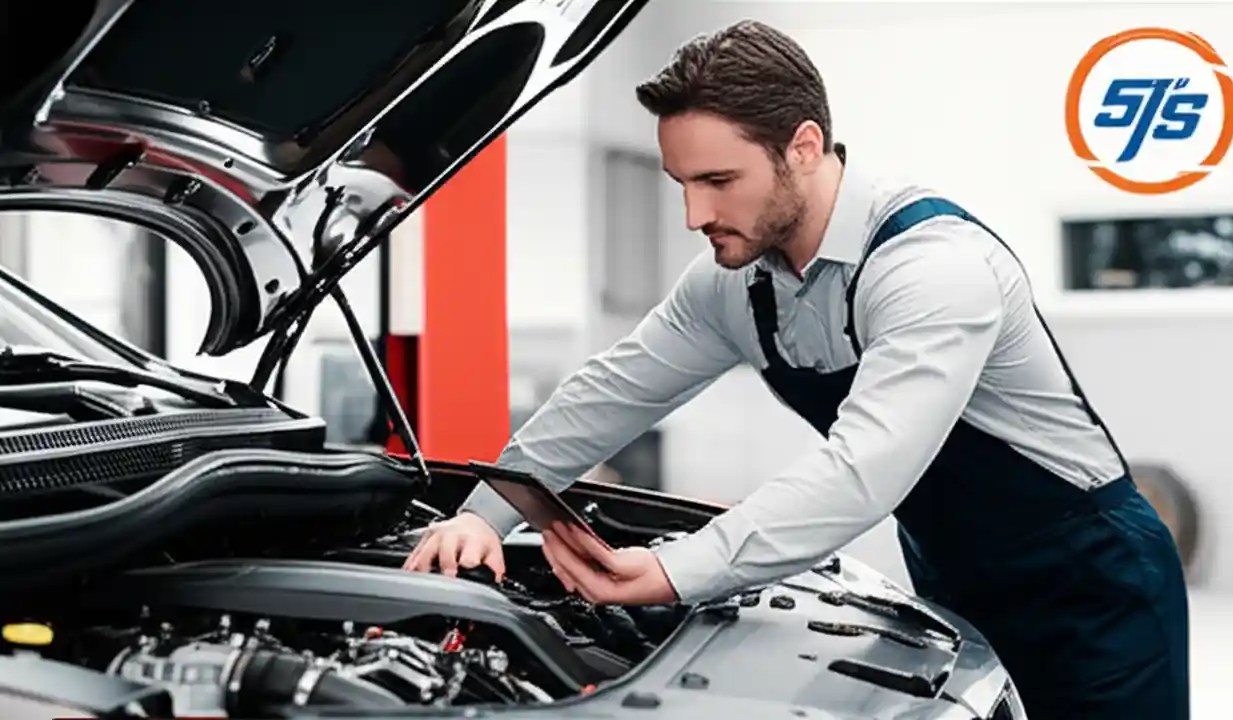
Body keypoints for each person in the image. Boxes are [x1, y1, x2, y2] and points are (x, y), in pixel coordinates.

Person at [403, 19, 1190, 720]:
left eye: (718, 182)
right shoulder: (734, 284)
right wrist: (487, 512)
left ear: (803, 148)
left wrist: (676, 569)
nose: (695, 216)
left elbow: (863, 470)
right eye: (683, 185)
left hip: (1092, 588)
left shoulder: (932, 268)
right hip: (954, 579)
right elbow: (610, 391)